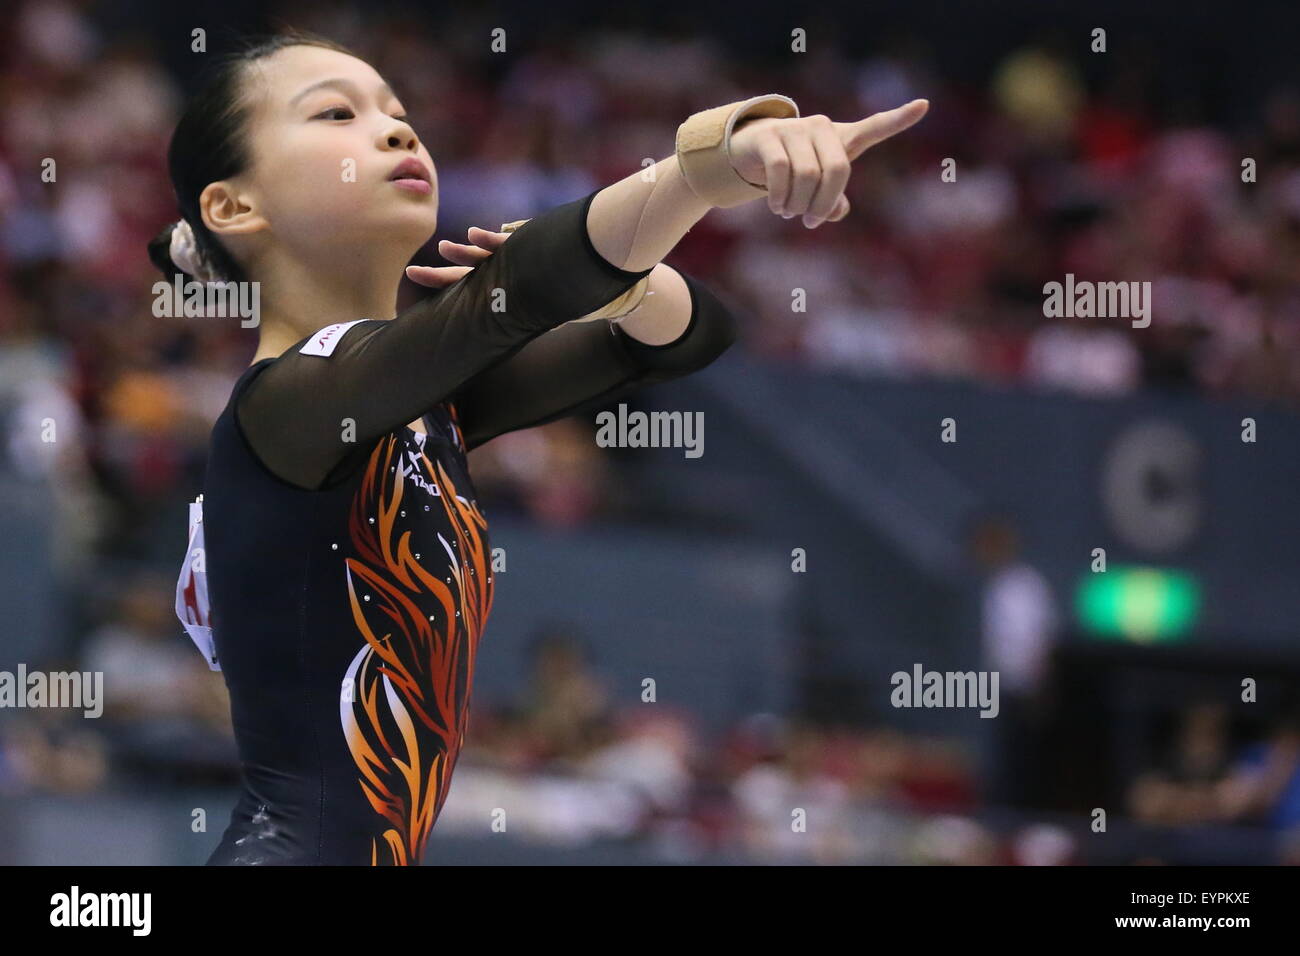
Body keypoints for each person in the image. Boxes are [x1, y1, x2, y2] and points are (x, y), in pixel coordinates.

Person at [149, 28, 928, 865]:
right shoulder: (287, 409)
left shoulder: (422, 413)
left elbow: (686, 337)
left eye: (400, 112)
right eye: (336, 113)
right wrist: (710, 165)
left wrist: (613, 273)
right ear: (233, 206)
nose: (397, 131)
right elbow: (517, 297)